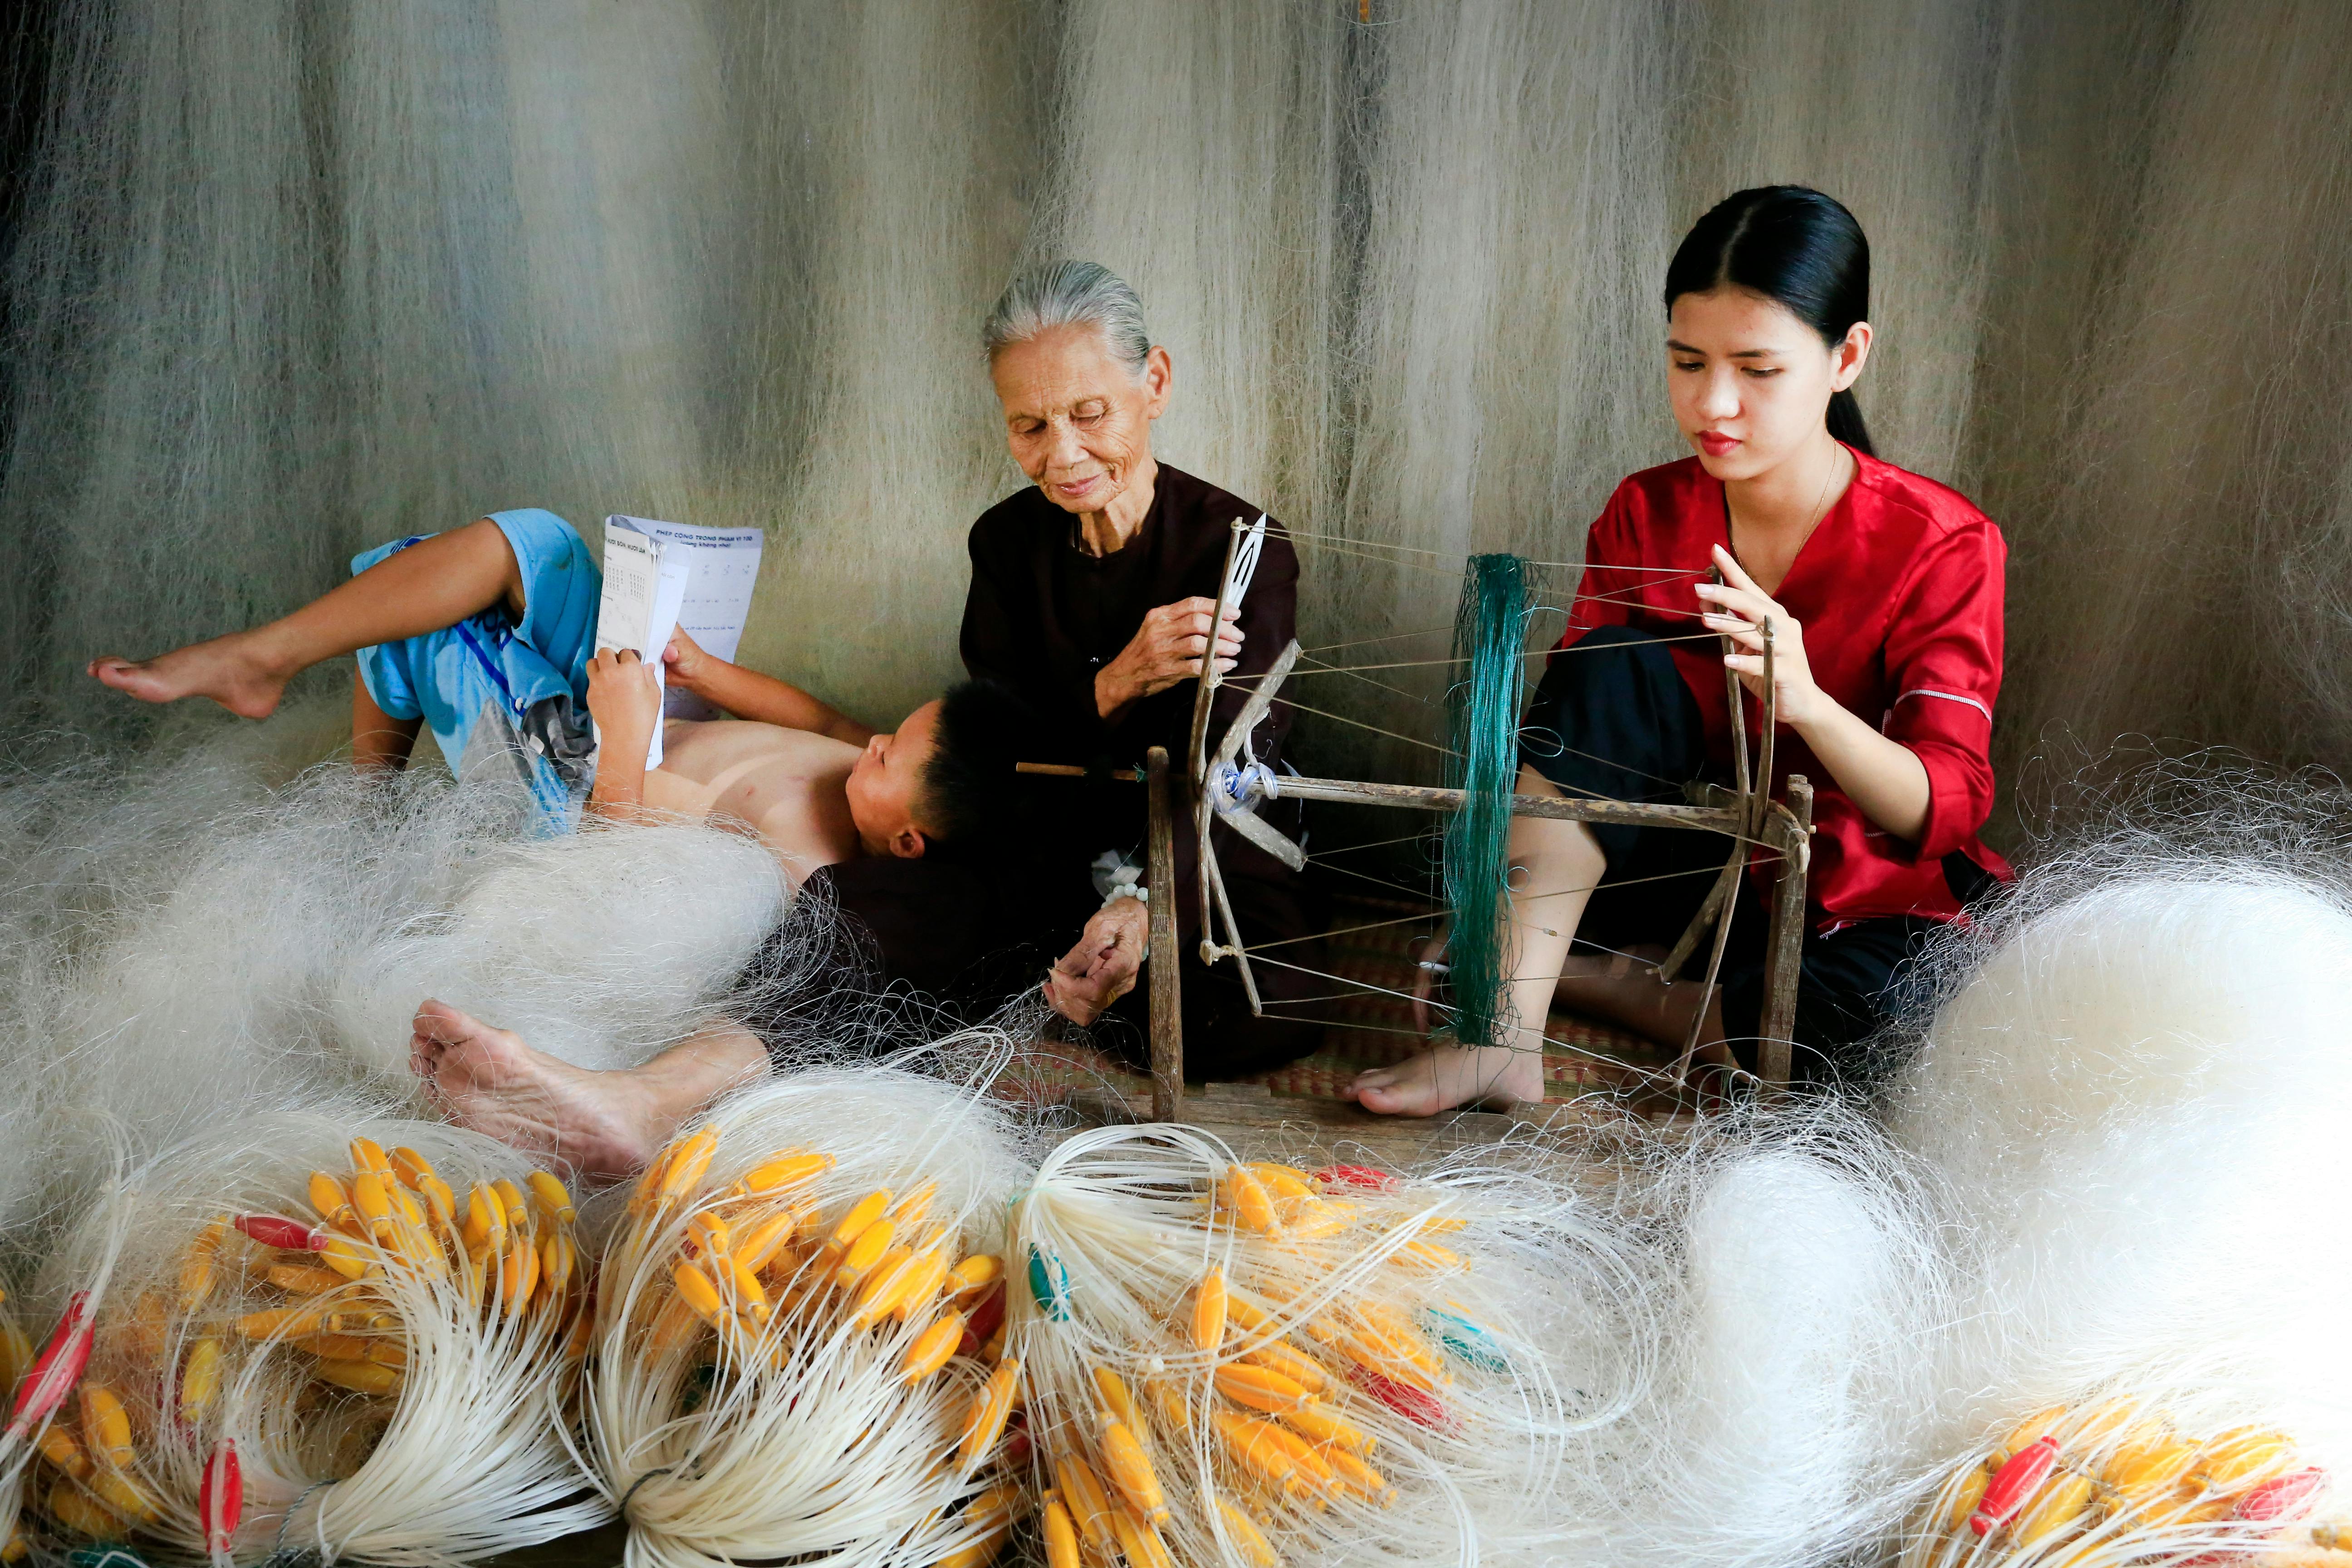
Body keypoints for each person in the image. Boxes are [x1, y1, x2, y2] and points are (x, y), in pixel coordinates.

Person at [90, 507, 1041, 1175]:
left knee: (427, 619)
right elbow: (820, 714)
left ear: (906, 845)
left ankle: (360, 799)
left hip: (582, 783)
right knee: (529, 541)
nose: (871, 744)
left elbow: (608, 876)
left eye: (887, 758)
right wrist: (707, 672)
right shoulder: (863, 761)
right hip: (645, 713)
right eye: (891, 731)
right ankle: (271, 657)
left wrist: (624, 739)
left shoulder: (805, 866)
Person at [1351, 185, 2011, 1116]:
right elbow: (1580, 745)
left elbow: (1944, 808)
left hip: (1848, 902)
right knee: (1607, 671)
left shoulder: (1943, 543)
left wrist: (1808, 701)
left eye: (1758, 369)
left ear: (1847, 357)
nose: (1714, 403)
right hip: (1670, 876)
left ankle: (1604, 986)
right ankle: (1499, 1033)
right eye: (1688, 362)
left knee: (1885, 1023)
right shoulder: (1646, 511)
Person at [958, 260, 1327, 1078]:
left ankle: (1088, 1010)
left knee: (1267, 1006)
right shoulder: (1005, 544)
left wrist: (1146, 903)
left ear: (1153, 383)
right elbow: (993, 741)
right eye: (1029, 426)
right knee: (960, 943)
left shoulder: (1242, 549)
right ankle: (1079, 1003)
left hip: (1207, 836)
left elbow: (1239, 765)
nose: (1063, 455)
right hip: (1062, 828)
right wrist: (1117, 680)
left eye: (1090, 414)